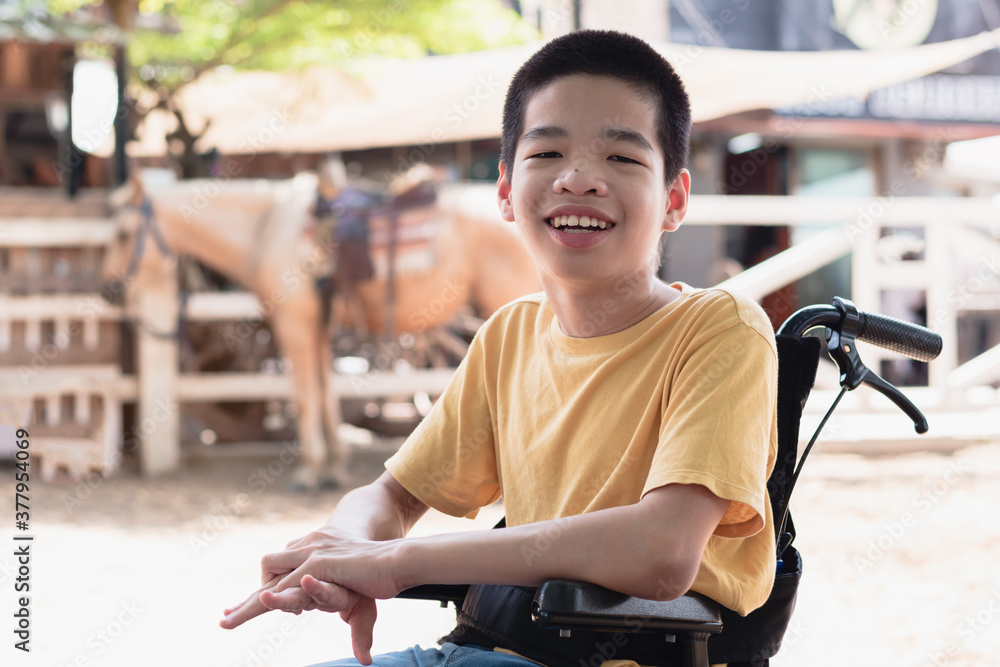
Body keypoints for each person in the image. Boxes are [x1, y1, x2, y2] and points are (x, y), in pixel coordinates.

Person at [220, 29, 778, 667]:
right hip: (491, 646)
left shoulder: (720, 329)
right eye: (547, 153)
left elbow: (662, 551)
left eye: (622, 159)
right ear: (506, 192)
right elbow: (395, 496)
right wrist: (342, 545)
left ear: (674, 200)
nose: (580, 178)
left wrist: (398, 562)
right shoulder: (511, 334)